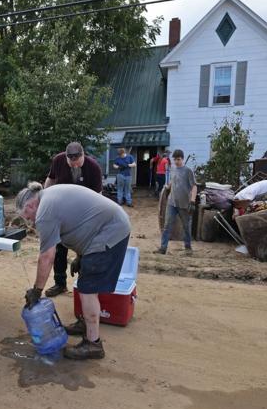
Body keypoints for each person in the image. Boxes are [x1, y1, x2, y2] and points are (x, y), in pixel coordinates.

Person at [17, 182, 130, 359]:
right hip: (107, 227)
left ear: (31, 205)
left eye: (28, 216)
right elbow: (81, 222)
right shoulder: (48, 198)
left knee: (87, 289)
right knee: (87, 280)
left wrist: (37, 290)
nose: (31, 221)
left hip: (111, 231)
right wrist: (81, 255)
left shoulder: (44, 212)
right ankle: (86, 324)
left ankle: (93, 344)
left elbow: (47, 256)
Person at [42, 142, 103, 298]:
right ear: (66, 158)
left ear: (83, 155)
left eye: (78, 163)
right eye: (71, 163)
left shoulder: (94, 168)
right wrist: (44, 198)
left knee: (85, 250)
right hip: (62, 212)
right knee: (59, 249)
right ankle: (60, 283)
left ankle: (84, 288)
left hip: (85, 214)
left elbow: (98, 198)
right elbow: (50, 180)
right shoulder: (58, 160)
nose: (75, 166)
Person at [155, 149, 196, 256]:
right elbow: (173, 181)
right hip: (172, 203)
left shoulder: (188, 171)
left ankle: (188, 248)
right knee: (167, 225)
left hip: (184, 204)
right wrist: (167, 186)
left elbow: (194, 186)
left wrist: (192, 201)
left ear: (182, 159)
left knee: (186, 226)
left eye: (178, 159)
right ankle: (163, 248)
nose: (177, 162)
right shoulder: (173, 169)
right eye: (175, 159)